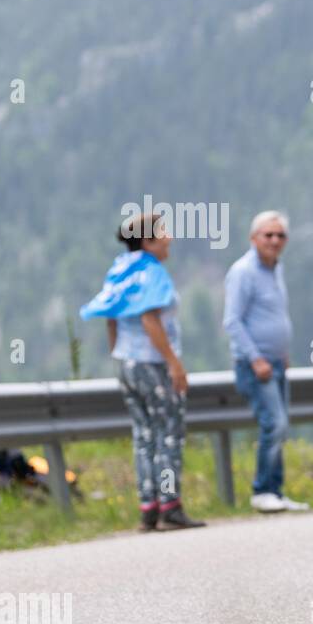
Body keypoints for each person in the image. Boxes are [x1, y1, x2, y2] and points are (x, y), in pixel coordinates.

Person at [79, 212, 205, 531]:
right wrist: (174, 363)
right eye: (163, 232)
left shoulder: (120, 268)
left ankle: (148, 507)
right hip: (153, 363)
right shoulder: (153, 272)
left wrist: (118, 355)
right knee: (168, 433)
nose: (169, 237)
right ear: (148, 241)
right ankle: (170, 505)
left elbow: (111, 316)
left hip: (127, 363)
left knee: (144, 435)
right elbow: (151, 320)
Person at [223, 210, 306, 513]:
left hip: (275, 362)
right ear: (253, 238)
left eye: (280, 235)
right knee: (275, 424)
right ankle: (261, 491)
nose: (274, 240)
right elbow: (232, 321)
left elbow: (272, 315)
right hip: (256, 365)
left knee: (280, 427)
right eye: (268, 235)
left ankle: (276, 491)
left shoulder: (275, 268)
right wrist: (256, 358)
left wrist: (282, 353)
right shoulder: (243, 271)